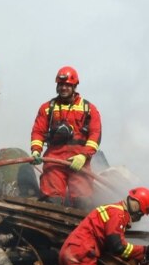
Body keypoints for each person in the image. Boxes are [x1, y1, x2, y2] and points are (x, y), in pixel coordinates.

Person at [29, 66, 102, 206]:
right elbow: (38, 131)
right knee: (51, 200)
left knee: (83, 201)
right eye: (61, 84)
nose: (64, 88)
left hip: (79, 160)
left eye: (68, 85)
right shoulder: (47, 107)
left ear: (74, 86)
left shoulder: (88, 109)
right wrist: (36, 150)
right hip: (54, 159)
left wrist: (83, 155)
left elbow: (95, 134)